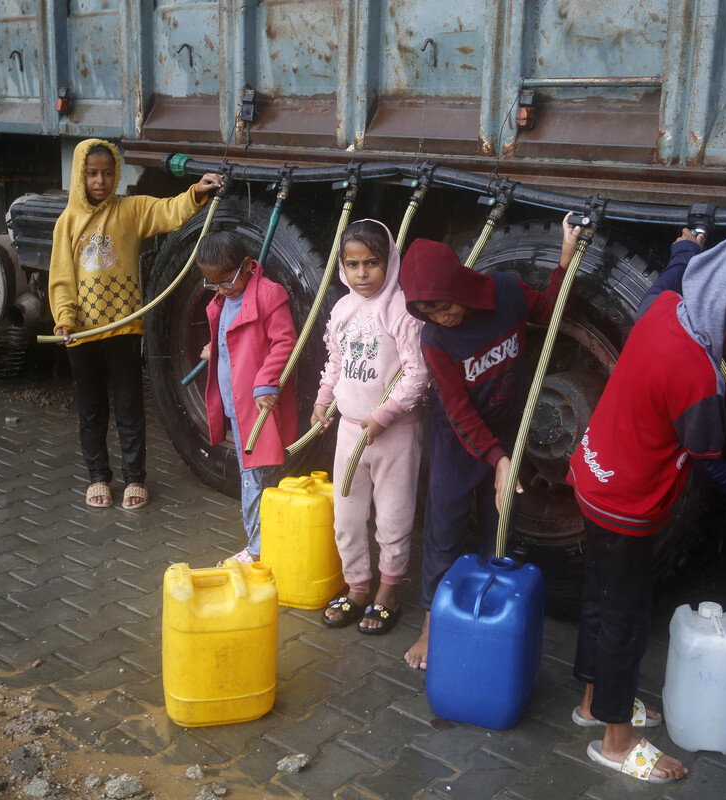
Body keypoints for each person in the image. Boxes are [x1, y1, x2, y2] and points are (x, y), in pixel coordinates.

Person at [566, 231, 726, 784]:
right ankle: (616, 741)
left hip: (593, 475)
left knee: (601, 599)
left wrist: (683, 244)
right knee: (626, 624)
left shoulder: (665, 304)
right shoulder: (698, 375)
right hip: (626, 508)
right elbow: (715, 469)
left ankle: (594, 704)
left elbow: (677, 268)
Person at [398, 213, 582, 669]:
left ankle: (485, 614)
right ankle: (431, 625)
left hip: (506, 427)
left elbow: (548, 311)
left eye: (443, 306)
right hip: (457, 436)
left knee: (501, 523)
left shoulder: (504, 291)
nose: (442, 317)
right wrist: (497, 458)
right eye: (427, 312)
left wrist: (563, 261)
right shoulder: (435, 338)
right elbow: (458, 411)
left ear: (460, 286)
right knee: (445, 526)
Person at [50, 138, 224, 510]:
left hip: (124, 329)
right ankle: (98, 476)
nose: (101, 180)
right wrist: (64, 320)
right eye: (92, 173)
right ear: (80, 175)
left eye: (108, 172)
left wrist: (196, 192)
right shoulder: (66, 224)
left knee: (129, 405)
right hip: (82, 334)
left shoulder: (130, 211)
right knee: (91, 409)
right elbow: (61, 278)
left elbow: (167, 211)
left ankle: (134, 478)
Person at [310, 220, 429, 633]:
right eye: (353, 264)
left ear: (390, 261)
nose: (362, 274)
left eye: (372, 263)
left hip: (394, 434)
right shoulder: (343, 309)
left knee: (394, 519)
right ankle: (358, 585)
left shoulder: (402, 310)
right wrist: (324, 399)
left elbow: (418, 374)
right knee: (346, 513)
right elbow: (337, 362)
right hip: (350, 430)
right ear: (342, 266)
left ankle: (388, 591)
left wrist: (385, 415)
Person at [197, 230, 298, 562]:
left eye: (226, 281)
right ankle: (271, 540)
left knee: (253, 475)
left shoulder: (270, 295)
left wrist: (267, 381)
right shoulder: (224, 299)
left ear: (246, 266)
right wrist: (216, 347)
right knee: (259, 473)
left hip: (258, 407)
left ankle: (256, 550)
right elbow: (236, 336)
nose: (222, 290)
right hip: (236, 405)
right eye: (213, 285)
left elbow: (285, 342)